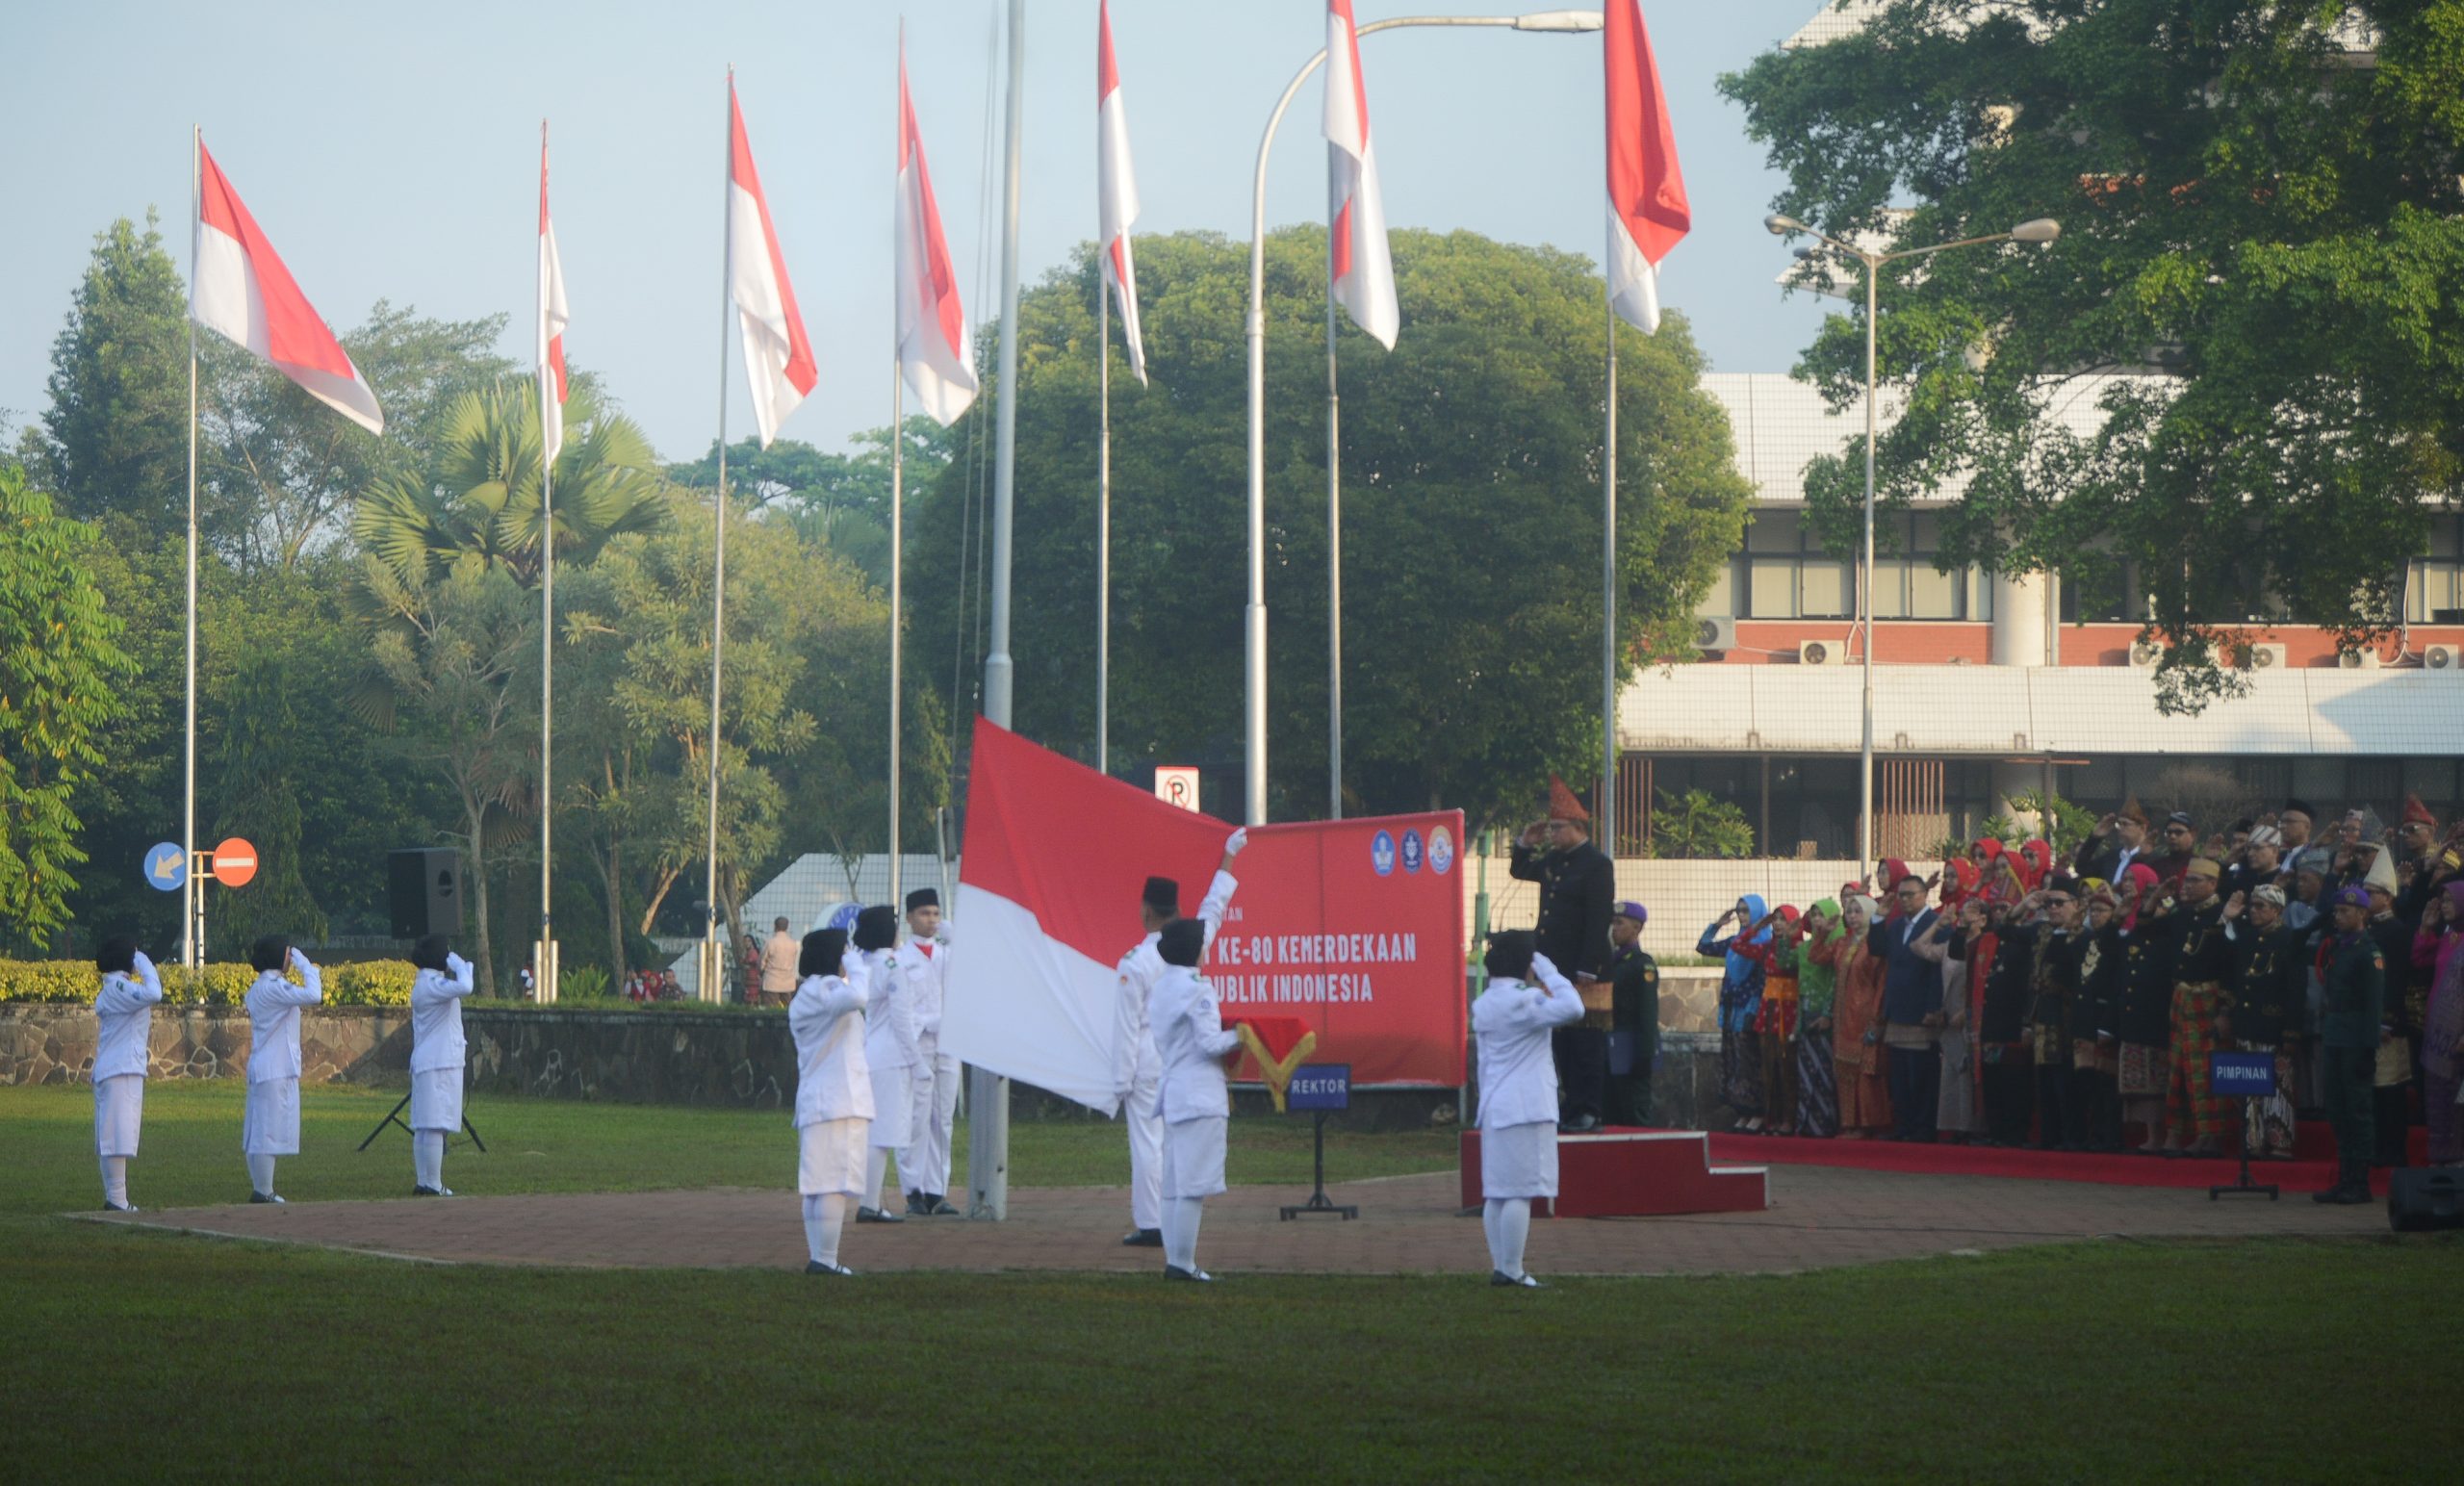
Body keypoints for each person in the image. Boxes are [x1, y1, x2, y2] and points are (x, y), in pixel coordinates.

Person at [1114, 831, 1246, 1247]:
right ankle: (1166, 1228)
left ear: (1145, 910)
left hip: (1148, 1064)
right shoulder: (1194, 940)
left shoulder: (1134, 962)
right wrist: (1228, 857)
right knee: (1174, 1150)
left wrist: (1120, 1081)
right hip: (1187, 1063)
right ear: (1177, 911)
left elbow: (1125, 1026)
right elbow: (1215, 908)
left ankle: (1152, 1222)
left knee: (1148, 1148)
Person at [1469, 931, 1584, 1289]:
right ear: (1527, 963)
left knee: (1498, 1192)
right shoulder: (1524, 1000)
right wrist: (1550, 972)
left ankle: (1502, 1266)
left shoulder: (1485, 1001)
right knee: (1519, 1191)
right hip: (1526, 1107)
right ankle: (1513, 1270)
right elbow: (1574, 1008)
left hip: (1494, 1106)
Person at [1511, 777, 1614, 1132]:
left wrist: (1587, 967)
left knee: (1586, 1042)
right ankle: (1570, 1108)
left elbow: (1598, 919)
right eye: (1551, 828)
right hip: (1554, 967)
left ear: (1578, 827)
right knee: (1561, 1041)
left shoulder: (1597, 865)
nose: (1553, 834)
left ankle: (1589, 1110)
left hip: (1586, 968)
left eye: (1558, 828)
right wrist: (1526, 842)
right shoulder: (1555, 861)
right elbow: (1521, 869)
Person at [1148, 917, 1242, 1282]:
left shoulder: (1161, 987)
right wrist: (1242, 1035)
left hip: (1174, 1094)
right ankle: (1183, 1264)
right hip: (1200, 1095)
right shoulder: (1199, 988)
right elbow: (1208, 1044)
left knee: (1173, 1186)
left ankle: (1177, 1261)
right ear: (1195, 950)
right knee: (1191, 1186)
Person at [789, 927, 870, 1275]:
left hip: (822, 1099)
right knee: (834, 1182)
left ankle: (820, 1257)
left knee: (817, 1184)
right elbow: (858, 998)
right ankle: (825, 1258)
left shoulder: (809, 992)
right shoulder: (826, 989)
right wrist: (857, 966)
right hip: (839, 1100)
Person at [2158, 859, 2237, 1157]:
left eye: (2194, 880)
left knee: (2206, 1070)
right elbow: (2145, 923)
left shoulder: (2225, 914)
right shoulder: (2183, 914)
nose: (2186, 886)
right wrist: (2155, 897)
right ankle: (2179, 1133)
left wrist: (2225, 1011)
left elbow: (2231, 966)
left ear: (2213, 884)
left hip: (2209, 998)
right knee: (2178, 1069)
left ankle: (2211, 1135)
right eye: (2186, 880)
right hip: (2182, 997)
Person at [2224, 884, 2305, 1160]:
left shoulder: (2290, 940)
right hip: (2248, 1023)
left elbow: (2296, 990)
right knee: (2248, 1086)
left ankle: (2280, 1142)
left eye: (2262, 906)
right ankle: (2253, 1142)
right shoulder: (2246, 938)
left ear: (2278, 910)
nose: (2254, 911)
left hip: (2275, 1026)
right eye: (2253, 905)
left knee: (2278, 1087)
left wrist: (2292, 1032)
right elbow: (2234, 979)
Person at [2314, 885, 2384, 1203]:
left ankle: (2359, 1181)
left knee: (2358, 1110)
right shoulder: (2338, 948)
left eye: (2345, 911)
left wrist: (2369, 1049)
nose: (2338, 916)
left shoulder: (2369, 952)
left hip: (2356, 1038)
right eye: (2336, 911)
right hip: (2335, 1035)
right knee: (2337, 1108)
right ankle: (2345, 1178)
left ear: (2362, 915)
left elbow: (2373, 1005)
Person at [242, 937, 324, 1203]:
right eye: (288, 954)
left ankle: (261, 1188)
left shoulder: (260, 987)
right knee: (267, 1130)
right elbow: (314, 994)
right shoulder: (274, 987)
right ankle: (264, 1190)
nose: (290, 958)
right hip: (274, 1067)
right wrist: (305, 965)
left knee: (258, 1128)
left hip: (265, 1064)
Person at [898, 887, 961, 1217]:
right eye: (924, 913)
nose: (931, 920)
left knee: (943, 1120)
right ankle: (913, 1190)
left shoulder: (948, 955)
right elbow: (901, 1012)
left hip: (948, 1046)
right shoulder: (901, 960)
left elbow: (971, 979)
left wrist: (959, 942)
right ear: (909, 918)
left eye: (936, 913)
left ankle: (938, 1189)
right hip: (918, 1046)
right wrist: (928, 1022)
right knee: (916, 1120)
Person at [91, 936, 164, 1213]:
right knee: (116, 1138)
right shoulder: (119, 986)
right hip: (120, 1068)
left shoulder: (115, 987)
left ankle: (116, 1197)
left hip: (116, 1067)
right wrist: (143, 962)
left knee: (112, 1137)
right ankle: (117, 1200)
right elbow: (154, 993)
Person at [1870, 875, 1943, 1142]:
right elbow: (1877, 949)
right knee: (1899, 1075)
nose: (1904, 900)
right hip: (1897, 1010)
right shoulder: (1896, 924)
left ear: (1924, 895)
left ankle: (1923, 1128)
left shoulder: (1935, 923)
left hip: (1922, 1011)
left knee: (1922, 1075)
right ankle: (1904, 1125)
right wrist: (1879, 917)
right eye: (1901, 895)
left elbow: (1938, 970)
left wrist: (1934, 1007)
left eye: (1909, 894)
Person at [853, 906, 913, 1222]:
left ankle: (871, 1201)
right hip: (890, 1057)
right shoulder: (892, 965)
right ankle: (870, 1203)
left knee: (875, 1133)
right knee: (882, 1134)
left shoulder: (866, 964)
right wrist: (916, 1061)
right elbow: (902, 1020)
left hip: (870, 1053)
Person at [1815, 894, 1891, 1138]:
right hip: (1842, 1019)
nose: (1853, 916)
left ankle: (1868, 1124)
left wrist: (1877, 1018)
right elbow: (1815, 957)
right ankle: (1849, 1123)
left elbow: (1882, 983)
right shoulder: (1842, 943)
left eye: (1858, 911)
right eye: (1849, 911)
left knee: (1865, 1073)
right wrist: (1822, 933)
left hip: (1865, 1016)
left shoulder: (1876, 944)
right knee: (1845, 1072)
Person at [406, 935, 476, 1196]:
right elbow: (467, 987)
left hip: (429, 1060)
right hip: (440, 1061)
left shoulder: (426, 983)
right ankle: (433, 1182)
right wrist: (461, 966)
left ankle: (425, 1180)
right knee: (435, 1123)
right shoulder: (434, 984)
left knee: (425, 1124)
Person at [2360, 846, 2417, 1167]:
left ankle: (2395, 1150)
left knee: (2391, 1091)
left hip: (2389, 1025)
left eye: (2371, 893)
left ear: (2387, 896)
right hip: (2367, 1024)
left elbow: (2396, 980)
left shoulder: (2398, 932)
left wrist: (2387, 1020)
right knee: (2371, 1091)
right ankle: (2377, 1146)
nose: (2366, 898)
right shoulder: (2365, 930)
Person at [1699, 896, 1771, 1132]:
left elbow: (1762, 982)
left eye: (1747, 911)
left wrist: (1753, 1009)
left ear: (1758, 913)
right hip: (1730, 1009)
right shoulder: (1735, 941)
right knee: (1733, 1061)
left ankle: (1757, 1112)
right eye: (1739, 910)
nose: (1742, 915)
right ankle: (1741, 1110)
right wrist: (1717, 925)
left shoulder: (1764, 943)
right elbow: (1704, 946)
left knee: (1750, 1062)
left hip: (1748, 1009)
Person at [2414, 881, 2464, 1166]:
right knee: (2439, 1101)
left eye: (2449, 900)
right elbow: (2419, 959)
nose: (2444, 905)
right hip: (2438, 1036)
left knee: (2459, 1104)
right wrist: (2425, 927)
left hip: (2459, 1037)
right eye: (2442, 900)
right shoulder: (2449, 938)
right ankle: (2442, 1161)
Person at [1603, 901, 1659, 1126]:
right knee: (1610, 1111)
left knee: (1635, 1112)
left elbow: (1647, 1012)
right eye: (1612, 923)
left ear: (1637, 928)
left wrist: (1645, 1053)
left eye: (1619, 923)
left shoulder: (1642, 965)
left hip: (1631, 1046)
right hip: (1610, 1043)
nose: (1614, 929)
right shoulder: (1610, 962)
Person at [1749, 905, 1804, 1138]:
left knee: (1788, 1067)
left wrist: (1788, 940)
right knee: (1768, 1067)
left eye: (1784, 919)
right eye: (1776, 919)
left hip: (1789, 1011)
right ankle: (1771, 1118)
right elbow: (1738, 946)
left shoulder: (1800, 948)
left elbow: (1785, 965)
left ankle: (1789, 1119)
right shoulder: (1766, 947)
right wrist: (1755, 928)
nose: (1778, 923)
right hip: (1769, 1011)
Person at [1792, 900, 1842, 1139]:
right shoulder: (1807, 948)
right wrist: (1786, 939)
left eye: (1821, 915)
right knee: (1806, 1072)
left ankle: (1824, 1125)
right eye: (1813, 915)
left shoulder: (1838, 946)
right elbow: (1784, 962)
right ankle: (1806, 1124)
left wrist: (1828, 1014)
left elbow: (1834, 983)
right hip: (1806, 1014)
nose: (1817, 920)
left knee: (1824, 1072)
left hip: (1827, 1017)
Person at [2074, 798, 2153, 884]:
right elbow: (2082, 868)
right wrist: (2095, 838)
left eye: (2125, 824)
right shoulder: (2111, 857)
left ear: (2142, 828)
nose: (2120, 828)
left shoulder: (2152, 859)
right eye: (2119, 824)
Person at [759, 915, 800, 1008]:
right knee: (788, 1008)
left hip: (772, 981)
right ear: (787, 927)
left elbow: (762, 961)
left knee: (771, 1009)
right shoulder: (792, 944)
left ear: (775, 927)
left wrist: (762, 972)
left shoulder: (771, 942)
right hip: (788, 981)